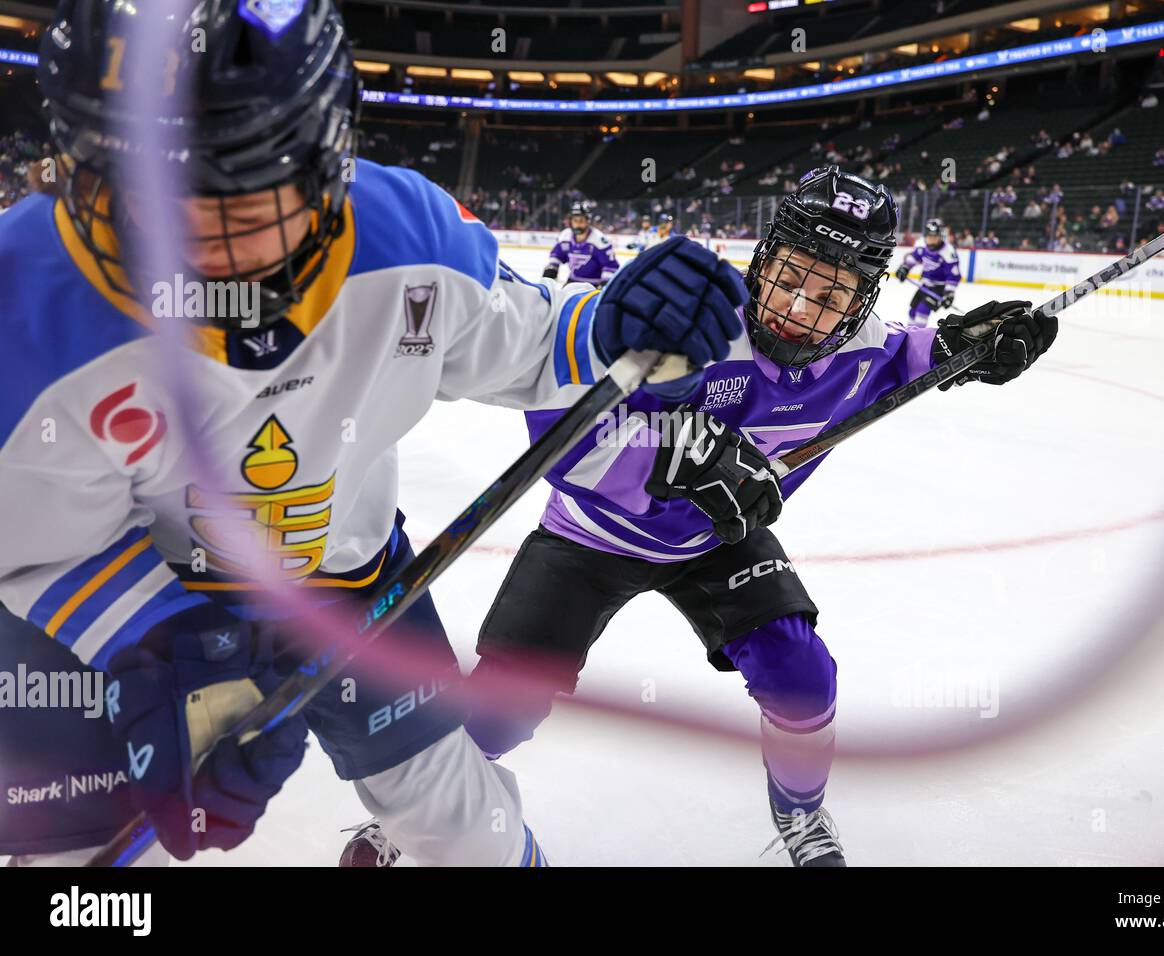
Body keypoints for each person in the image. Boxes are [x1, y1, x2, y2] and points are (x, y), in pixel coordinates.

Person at [0, 0, 744, 867]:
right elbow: (31, 545)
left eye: (234, 190)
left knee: (466, 827)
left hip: (348, 584)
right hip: (117, 598)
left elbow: (532, 344)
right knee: (82, 872)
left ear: (325, 163)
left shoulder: (407, 240)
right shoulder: (23, 307)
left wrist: (619, 328)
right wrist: (161, 642)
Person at [343, 165, 1057, 867]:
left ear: (864, 295)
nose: (801, 307)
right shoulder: (694, 325)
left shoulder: (864, 346)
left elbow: (907, 357)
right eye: (790, 276)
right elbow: (558, 421)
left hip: (719, 539)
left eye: (832, 292)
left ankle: (801, 814)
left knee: (802, 677)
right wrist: (666, 456)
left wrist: (968, 348)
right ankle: (428, 816)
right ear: (764, 257)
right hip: (590, 537)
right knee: (504, 705)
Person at [894, 218, 961, 327]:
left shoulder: (948, 252)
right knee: (912, 311)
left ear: (941, 236)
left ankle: (918, 337)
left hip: (939, 289)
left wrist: (949, 294)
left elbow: (953, 275)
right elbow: (914, 258)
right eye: (929, 237)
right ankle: (910, 333)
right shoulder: (921, 245)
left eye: (935, 237)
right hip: (924, 285)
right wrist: (904, 268)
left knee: (922, 311)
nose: (932, 241)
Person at [543, 203, 618, 286]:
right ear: (571, 221)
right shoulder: (565, 236)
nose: (578, 224)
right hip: (572, 282)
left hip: (593, 285)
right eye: (575, 221)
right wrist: (552, 267)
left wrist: (604, 284)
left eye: (581, 221)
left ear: (588, 221)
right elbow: (557, 255)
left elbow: (610, 266)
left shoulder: (599, 240)